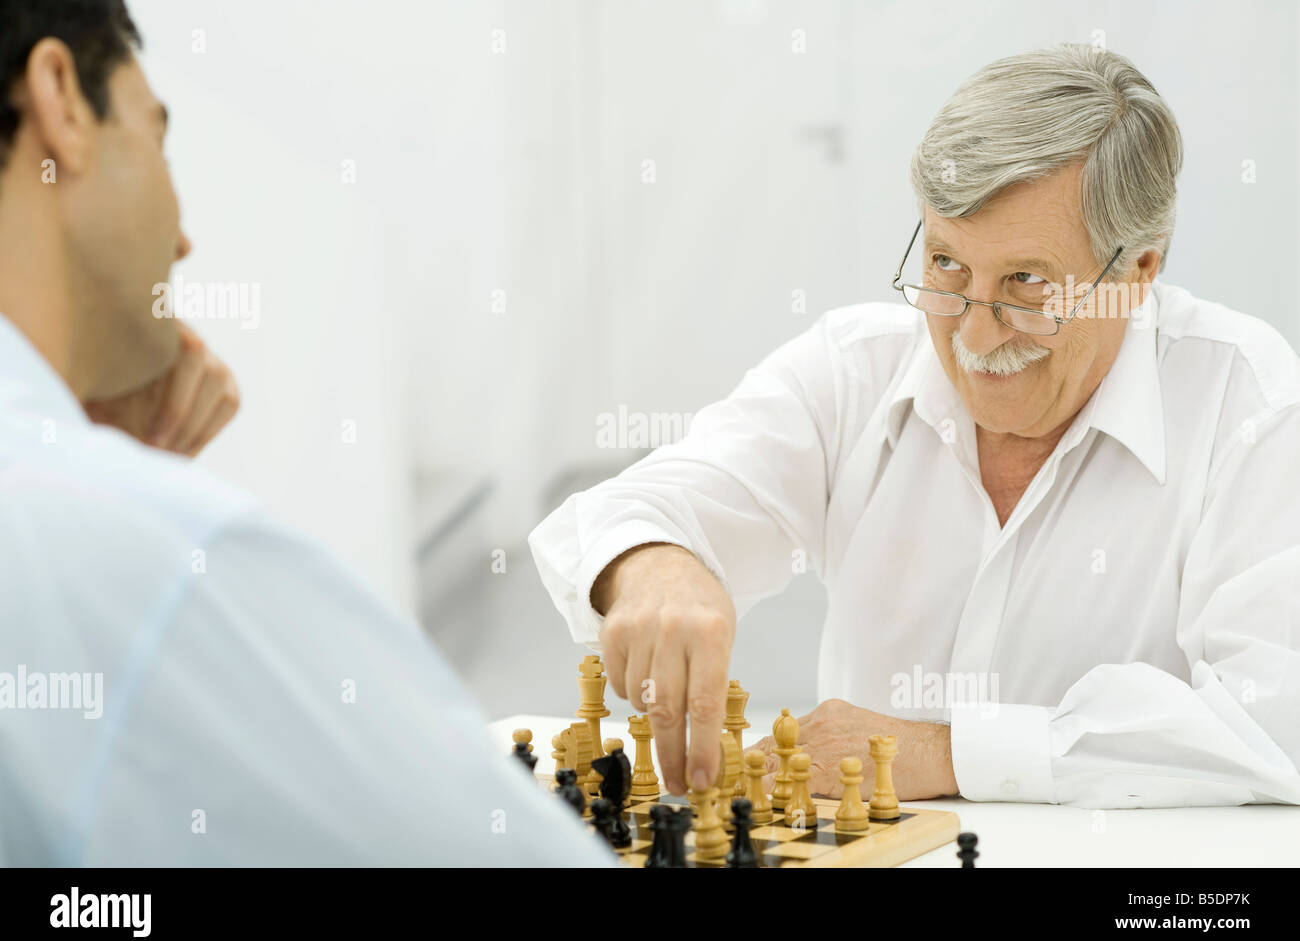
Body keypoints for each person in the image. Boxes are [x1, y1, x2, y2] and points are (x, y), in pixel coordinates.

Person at [530, 44, 1300, 809]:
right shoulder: (854, 366)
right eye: (946, 267)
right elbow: (626, 511)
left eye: (1026, 285)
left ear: (1139, 273)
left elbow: (1275, 722)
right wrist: (656, 562)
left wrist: (949, 753)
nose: (975, 335)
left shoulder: (1247, 403)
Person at [0, 0, 612, 866]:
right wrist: (118, 495)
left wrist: (96, 458)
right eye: (156, 138)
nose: (182, 239)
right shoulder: (157, 558)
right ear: (62, 99)